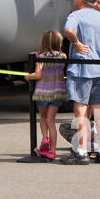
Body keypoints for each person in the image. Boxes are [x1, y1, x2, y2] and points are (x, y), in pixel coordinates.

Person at [60, 0, 100, 163]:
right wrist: (99, 57)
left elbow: (69, 31)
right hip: (99, 69)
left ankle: (82, 151)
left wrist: (75, 42)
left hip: (81, 69)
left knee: (81, 110)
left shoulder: (75, 16)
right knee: (99, 110)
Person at [24, 30, 67, 160]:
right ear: (59, 43)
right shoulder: (62, 56)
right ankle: (52, 151)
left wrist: (27, 76)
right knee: (51, 121)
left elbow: (38, 75)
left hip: (42, 92)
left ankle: (45, 139)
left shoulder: (40, 57)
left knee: (43, 118)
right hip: (57, 92)